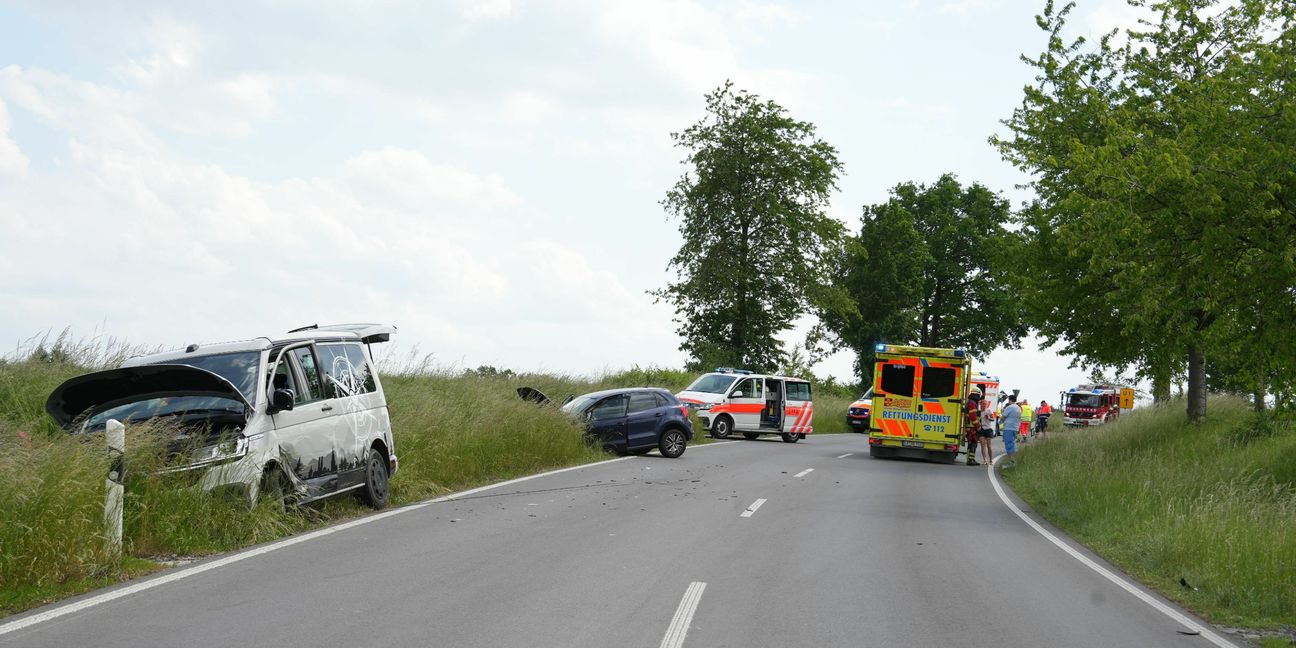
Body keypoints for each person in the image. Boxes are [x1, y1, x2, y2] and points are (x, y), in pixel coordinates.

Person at [999, 394, 1022, 468]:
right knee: (1012, 444)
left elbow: (1003, 417)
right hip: (1015, 428)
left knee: (1009, 445)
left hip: (1008, 428)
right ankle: (1013, 462)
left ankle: (1012, 463)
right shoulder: (1018, 408)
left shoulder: (1009, 407)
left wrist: (999, 422)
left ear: (1009, 400)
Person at [963, 390, 982, 466]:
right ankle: (971, 460)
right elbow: (973, 416)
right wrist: (978, 426)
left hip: (970, 426)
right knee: (973, 443)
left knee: (971, 443)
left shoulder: (970, 402)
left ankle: (969, 459)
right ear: (976, 395)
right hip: (972, 427)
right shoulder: (972, 403)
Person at [978, 397, 995, 465]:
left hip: (988, 429)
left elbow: (993, 419)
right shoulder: (979, 412)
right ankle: (984, 460)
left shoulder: (988, 410)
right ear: (980, 404)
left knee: (989, 446)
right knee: (983, 445)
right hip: (981, 429)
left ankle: (991, 460)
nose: (984, 405)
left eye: (985, 404)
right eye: (983, 404)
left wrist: (988, 418)